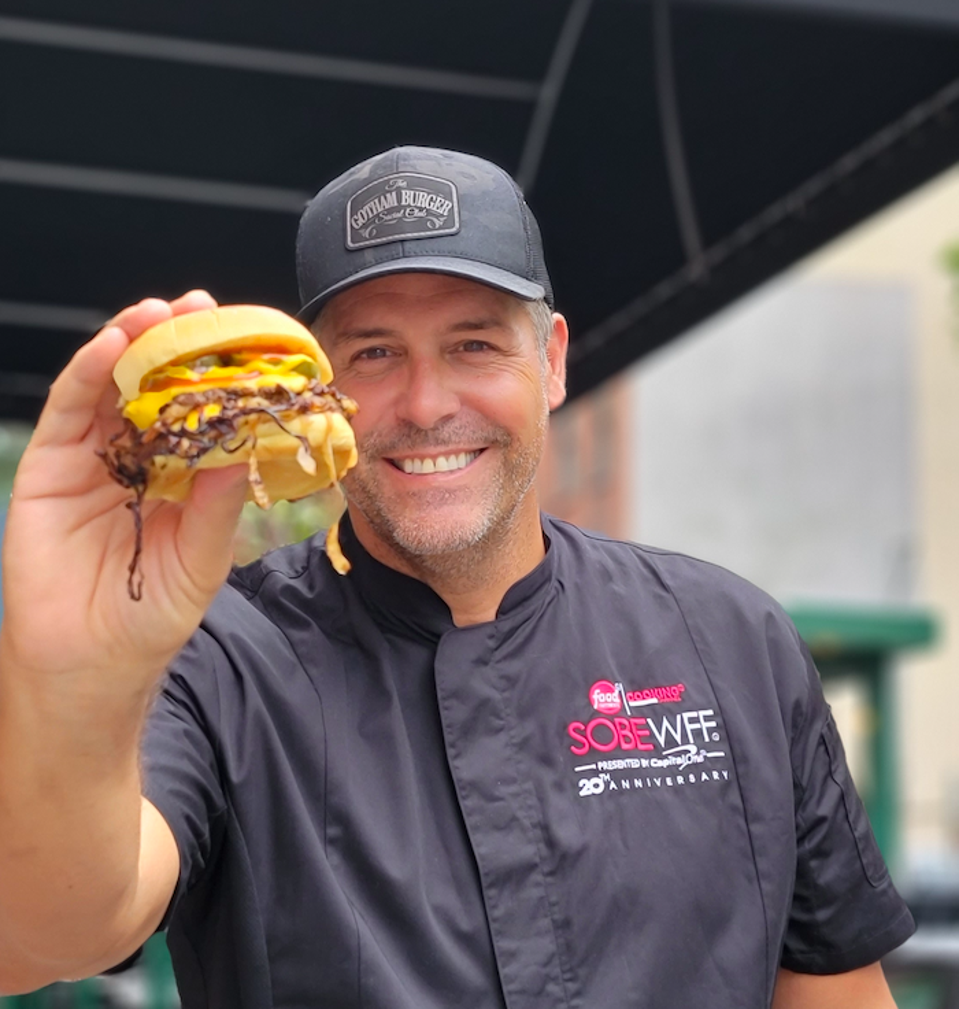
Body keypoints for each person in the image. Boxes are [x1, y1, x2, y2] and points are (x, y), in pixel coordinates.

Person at [0, 147, 913, 1008]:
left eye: (474, 345)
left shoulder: (732, 641)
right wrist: (72, 686)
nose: (428, 404)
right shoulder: (215, 655)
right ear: (314, 388)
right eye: (373, 354)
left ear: (550, 361)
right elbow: (50, 934)